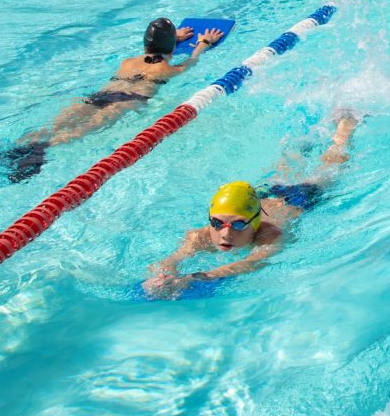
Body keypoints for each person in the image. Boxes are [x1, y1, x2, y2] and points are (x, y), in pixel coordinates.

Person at [143, 112, 359, 297]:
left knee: (330, 167)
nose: (226, 234)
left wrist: (195, 278)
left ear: (255, 223)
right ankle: (309, 136)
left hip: (297, 198)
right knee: (287, 163)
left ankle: (346, 127)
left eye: (238, 225)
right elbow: (166, 261)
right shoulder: (197, 237)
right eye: (218, 223)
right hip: (262, 193)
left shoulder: (270, 235)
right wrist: (161, 277)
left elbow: (251, 264)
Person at [3, 18, 223, 182]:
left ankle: (19, 147)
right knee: (81, 131)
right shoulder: (165, 69)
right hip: (125, 102)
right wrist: (203, 43)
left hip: (98, 96)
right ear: (171, 47)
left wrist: (173, 37)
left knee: (55, 125)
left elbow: (154, 51)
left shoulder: (129, 61)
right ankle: (41, 152)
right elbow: (191, 61)